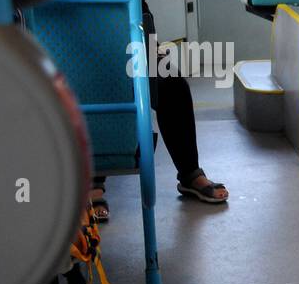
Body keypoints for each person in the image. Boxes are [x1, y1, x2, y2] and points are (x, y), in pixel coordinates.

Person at [91, 49, 228, 220]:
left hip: (126, 44)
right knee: (94, 83)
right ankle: (92, 183)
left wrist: (150, 45)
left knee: (173, 84)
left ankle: (190, 174)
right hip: (78, 47)